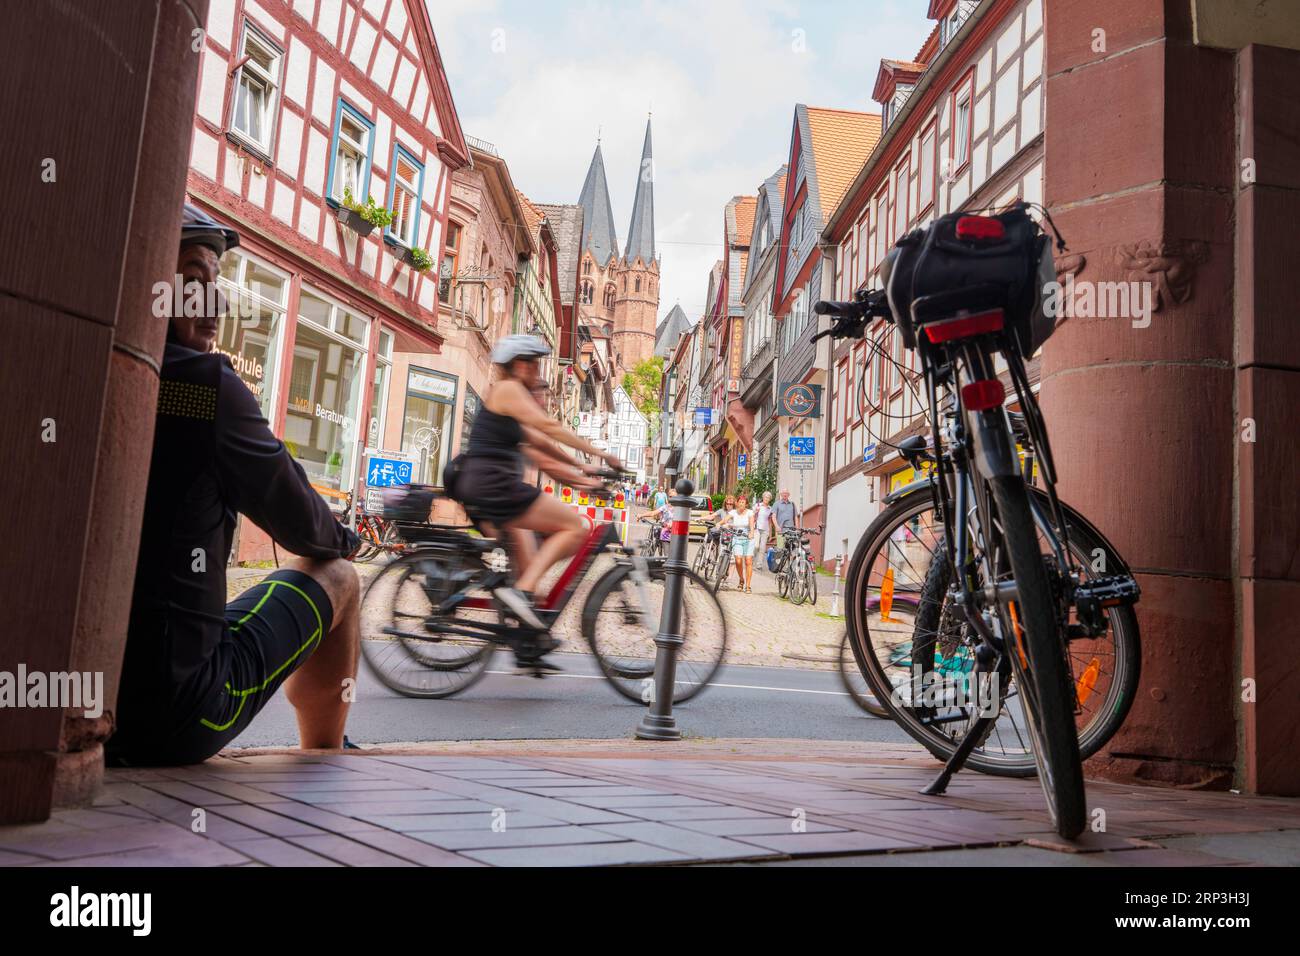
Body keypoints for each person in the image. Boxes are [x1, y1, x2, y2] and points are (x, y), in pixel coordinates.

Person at [110, 204, 363, 766]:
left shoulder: (89, 366)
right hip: (178, 712)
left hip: (84, 702)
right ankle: (325, 754)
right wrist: (345, 539)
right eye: (195, 282)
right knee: (339, 578)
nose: (216, 304)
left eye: (216, 286)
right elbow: (301, 523)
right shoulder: (203, 388)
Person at [445, 335, 621, 632]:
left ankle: (527, 637)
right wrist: (601, 453)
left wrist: (585, 470)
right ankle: (522, 591)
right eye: (535, 365)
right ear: (519, 365)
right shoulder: (509, 389)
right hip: (493, 485)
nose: (538, 373)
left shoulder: (509, 406)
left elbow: (543, 448)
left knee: (532, 566)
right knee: (575, 527)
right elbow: (549, 428)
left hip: (486, 486)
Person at [730, 494, 757, 592]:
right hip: (737, 538)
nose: (741, 504)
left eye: (743, 502)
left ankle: (748, 585)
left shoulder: (750, 512)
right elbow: (725, 519)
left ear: (746, 504)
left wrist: (752, 533)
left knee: (748, 561)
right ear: (737, 503)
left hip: (748, 538)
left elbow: (751, 524)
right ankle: (741, 579)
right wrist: (720, 524)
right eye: (740, 502)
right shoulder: (733, 512)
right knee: (738, 560)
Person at [753, 490, 774, 574]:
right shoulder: (757, 505)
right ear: (763, 497)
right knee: (756, 546)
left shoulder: (770, 509)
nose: (766, 498)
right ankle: (751, 560)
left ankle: (759, 564)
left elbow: (770, 521)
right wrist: (756, 511)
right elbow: (752, 516)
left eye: (768, 497)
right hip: (757, 528)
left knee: (762, 548)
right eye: (765, 497)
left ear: (770, 499)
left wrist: (771, 533)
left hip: (765, 530)